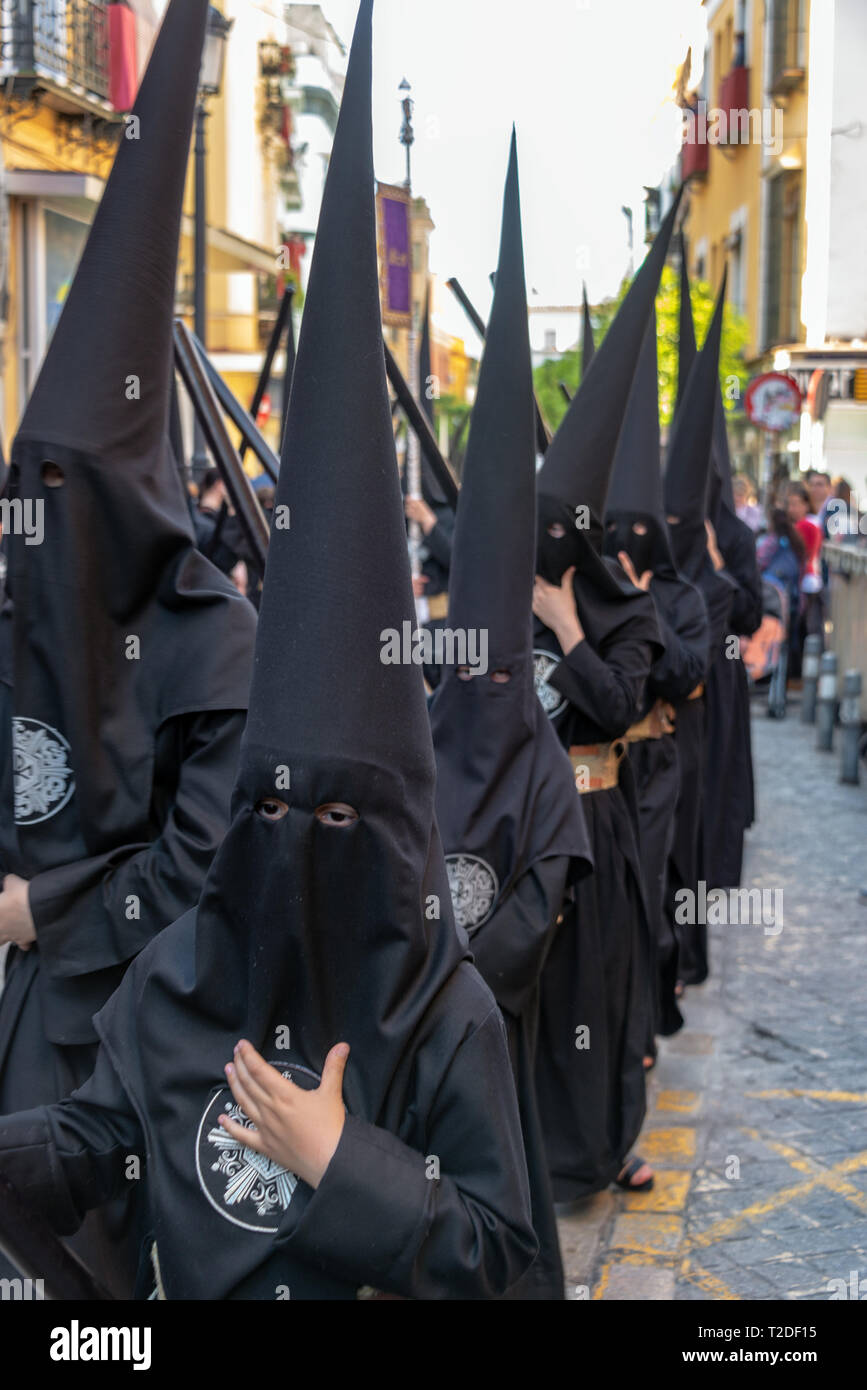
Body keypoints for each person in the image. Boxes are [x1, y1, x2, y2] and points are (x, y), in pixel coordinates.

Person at [0, 0, 537, 1302]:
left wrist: (344, 1160)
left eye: (345, 813)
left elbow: (508, 1263)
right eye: (277, 810)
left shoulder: (436, 1017)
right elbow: (81, 1152)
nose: (303, 840)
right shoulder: (179, 989)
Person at [0, 0, 256, 1298]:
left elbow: (199, 866)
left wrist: (41, 905)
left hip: (123, 1033)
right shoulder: (24, 600)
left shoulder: (216, 642)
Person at [429, 133, 591, 1298]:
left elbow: (542, 889)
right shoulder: (417, 721)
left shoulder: (533, 746)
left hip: (493, 1011)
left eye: (503, 674)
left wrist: (468, 973)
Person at [531, 188, 683, 1204]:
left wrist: (566, 626)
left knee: (607, 995)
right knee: (536, 1001)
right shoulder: (503, 596)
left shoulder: (625, 613)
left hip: (606, 820)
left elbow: (624, 703)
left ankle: (612, 1143)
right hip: (527, 822)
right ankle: (536, 1149)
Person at [603, 310, 709, 1046]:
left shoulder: (682, 596)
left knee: (646, 895)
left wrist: (640, 606)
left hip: (653, 760)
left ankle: (643, 1022)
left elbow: (685, 675)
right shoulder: (584, 586)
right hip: (590, 773)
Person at [663, 271, 739, 987]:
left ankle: (688, 960)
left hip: (703, 719)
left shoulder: (714, 573)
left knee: (694, 844)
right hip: (661, 741)